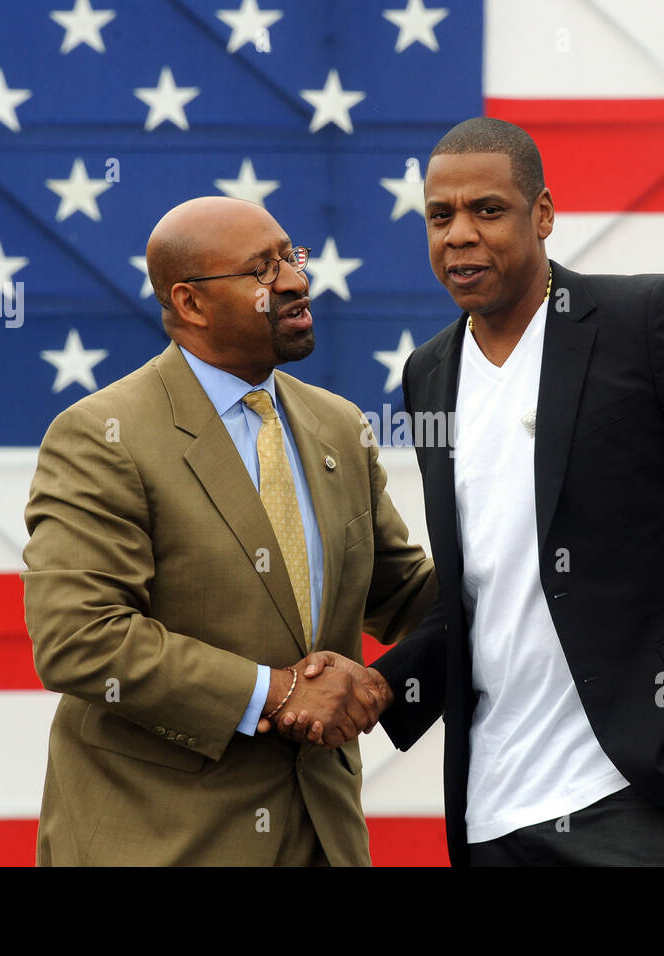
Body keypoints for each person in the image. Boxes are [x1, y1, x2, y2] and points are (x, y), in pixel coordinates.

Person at [288, 117, 664, 866]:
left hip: (637, 801)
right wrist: (382, 686)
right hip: (492, 814)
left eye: (487, 210)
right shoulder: (429, 376)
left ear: (543, 214)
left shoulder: (644, 322)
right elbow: (481, 590)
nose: (459, 234)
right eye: (440, 215)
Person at [21, 196, 431, 866]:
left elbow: (408, 593)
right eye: (261, 271)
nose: (296, 280)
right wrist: (278, 690)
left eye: (290, 256)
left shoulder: (337, 427)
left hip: (324, 839)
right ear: (189, 303)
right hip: (166, 844)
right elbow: (79, 637)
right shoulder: (103, 437)